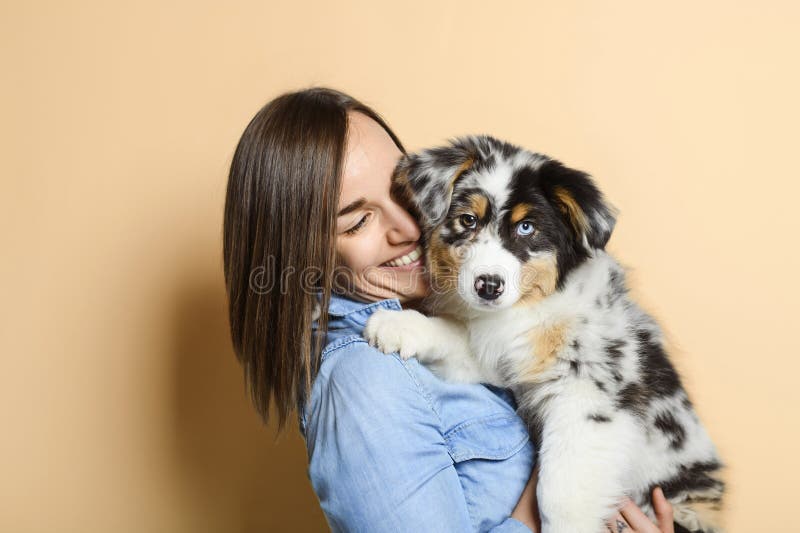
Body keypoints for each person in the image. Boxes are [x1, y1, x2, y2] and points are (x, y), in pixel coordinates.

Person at [223, 87, 675, 532]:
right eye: (359, 220)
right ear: (305, 258)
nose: (408, 227)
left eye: (406, 192)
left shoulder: (460, 320)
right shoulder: (365, 384)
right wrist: (549, 506)